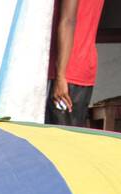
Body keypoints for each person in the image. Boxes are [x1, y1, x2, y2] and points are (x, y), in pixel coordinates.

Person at [47, 0, 105, 128]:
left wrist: (61, 76)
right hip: (80, 67)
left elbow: (68, 21)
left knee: (57, 139)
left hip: (64, 72)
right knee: (68, 137)